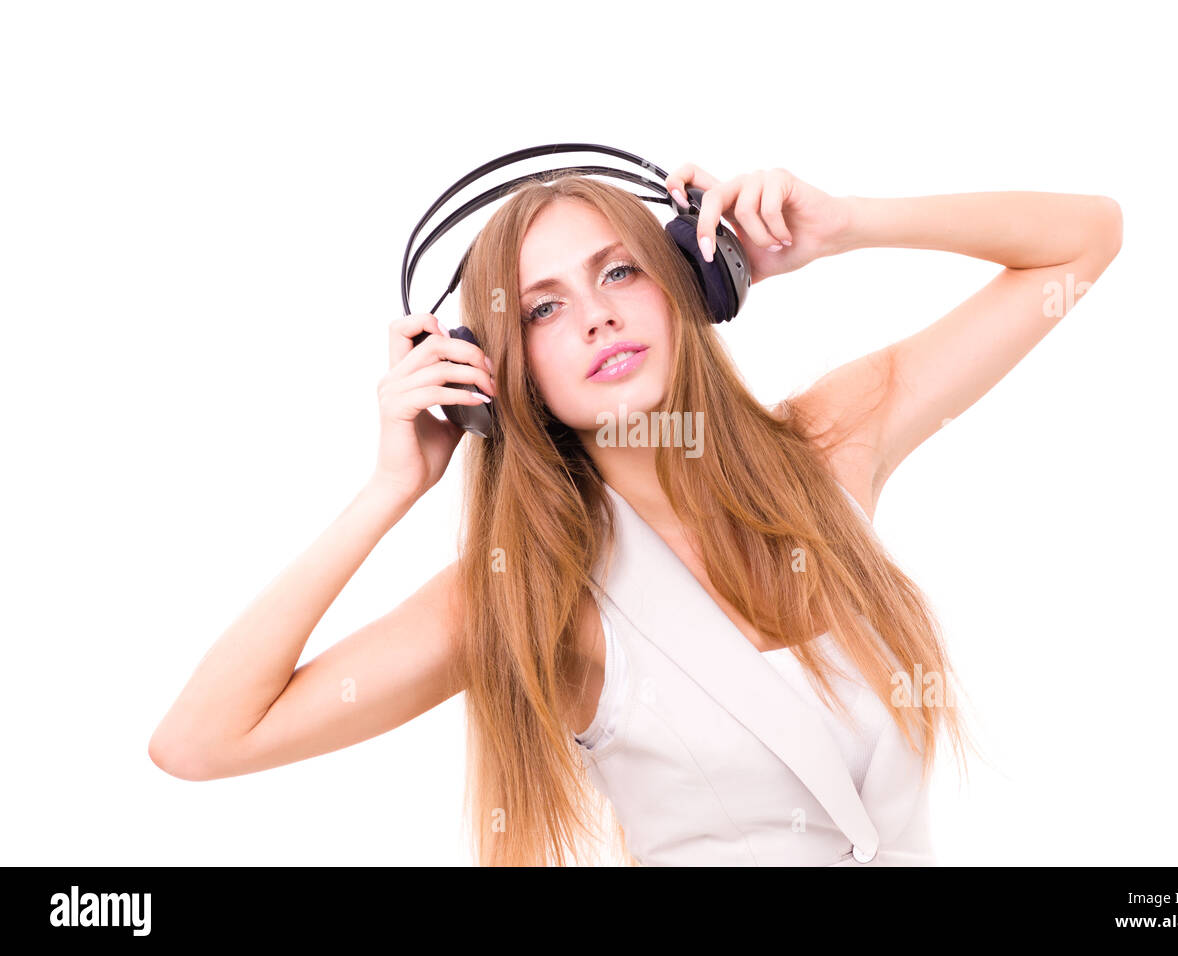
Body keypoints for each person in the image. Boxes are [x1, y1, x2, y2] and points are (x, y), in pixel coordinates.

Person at [148, 164, 1123, 866]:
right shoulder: (527, 594)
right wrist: (387, 490)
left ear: (690, 285)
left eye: (618, 273)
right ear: (495, 378)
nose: (597, 316)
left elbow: (1082, 244)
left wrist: (844, 225)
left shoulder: (829, 447)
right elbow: (199, 742)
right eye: (541, 309)